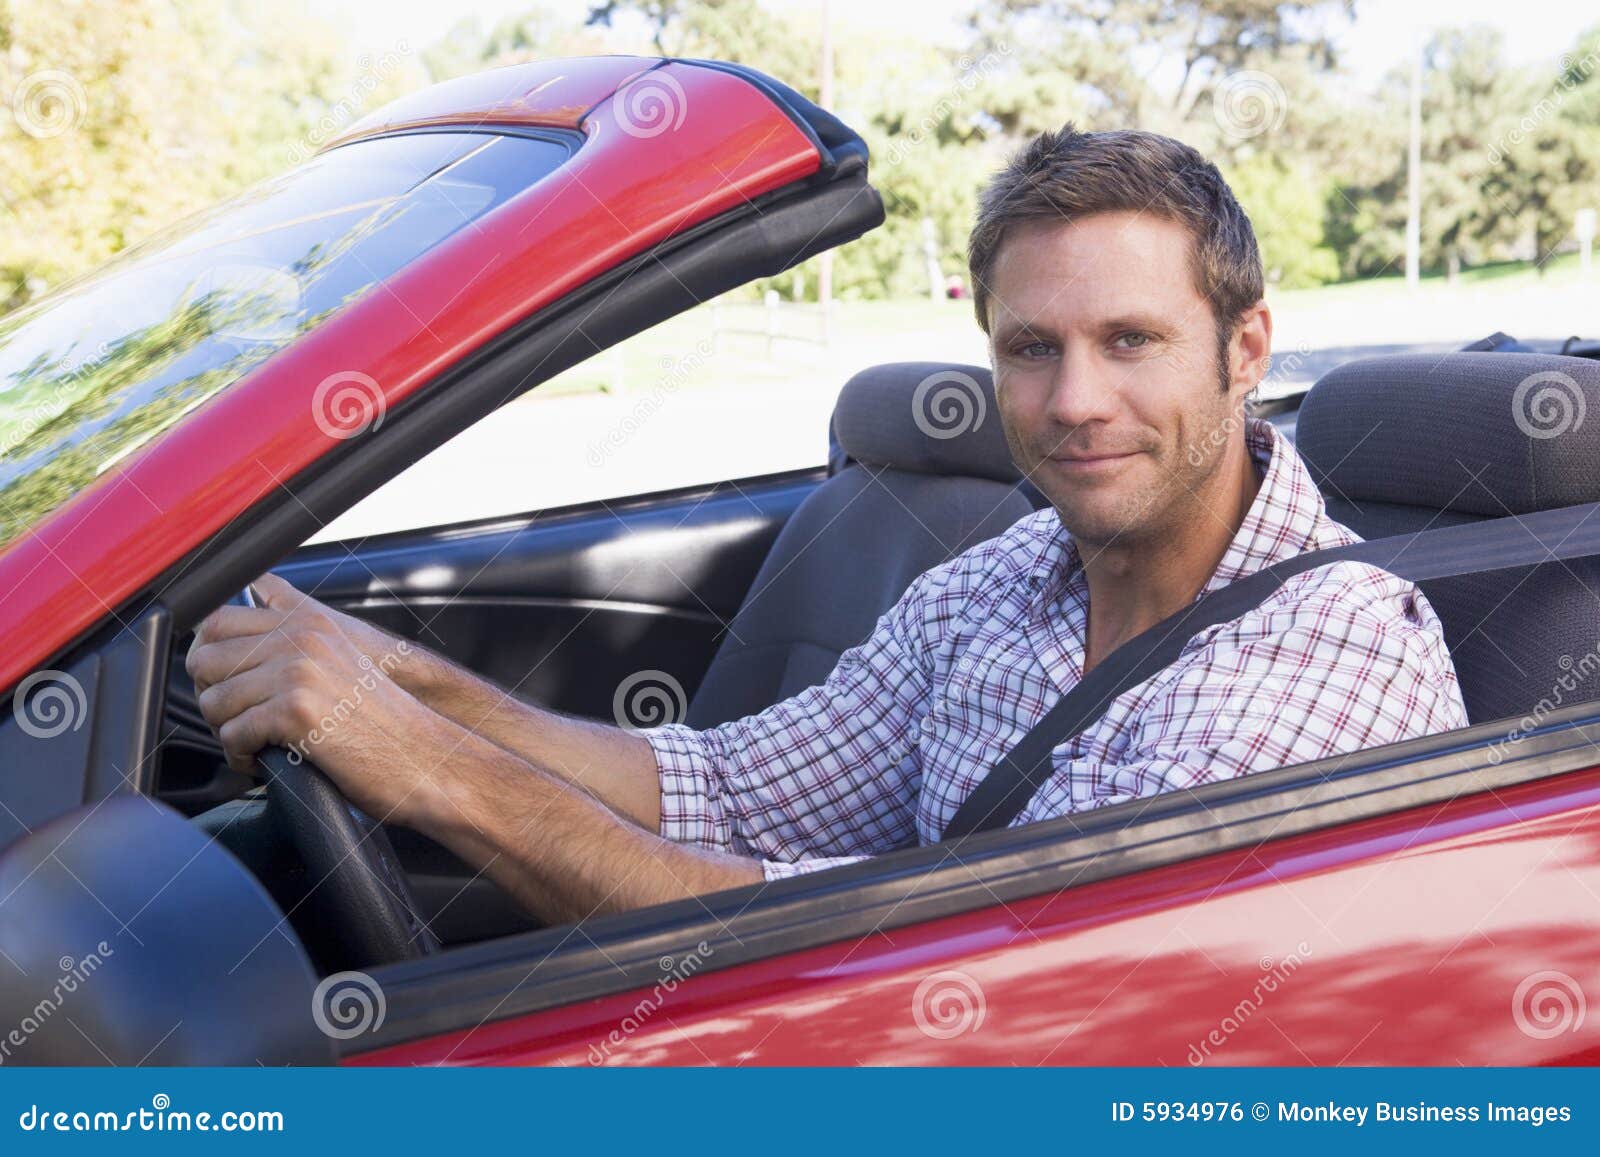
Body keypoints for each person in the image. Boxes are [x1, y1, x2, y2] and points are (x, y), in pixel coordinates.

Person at [187, 125, 1468, 925]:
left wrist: (433, 770)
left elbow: (959, 967)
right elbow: (729, 787)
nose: (1075, 401)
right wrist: (388, 675)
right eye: (1032, 348)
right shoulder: (1010, 576)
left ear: (1244, 347)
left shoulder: (1319, 661)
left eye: (1130, 340)